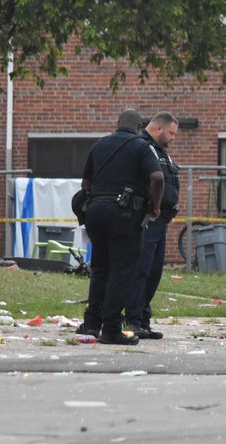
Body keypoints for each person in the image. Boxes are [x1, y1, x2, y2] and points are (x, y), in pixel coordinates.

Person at [75, 108, 164, 345]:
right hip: (125, 215)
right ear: (138, 127)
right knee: (122, 270)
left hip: (95, 212)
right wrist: (155, 206)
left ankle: (92, 324)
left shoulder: (99, 145)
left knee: (100, 269)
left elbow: (85, 182)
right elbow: (158, 177)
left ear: (117, 123)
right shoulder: (141, 147)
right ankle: (112, 328)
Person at [126, 112, 181, 339]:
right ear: (159, 129)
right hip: (148, 219)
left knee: (154, 272)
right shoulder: (142, 147)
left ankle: (143, 319)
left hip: (162, 220)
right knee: (141, 270)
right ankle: (132, 319)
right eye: (171, 133)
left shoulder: (161, 153)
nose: (173, 138)